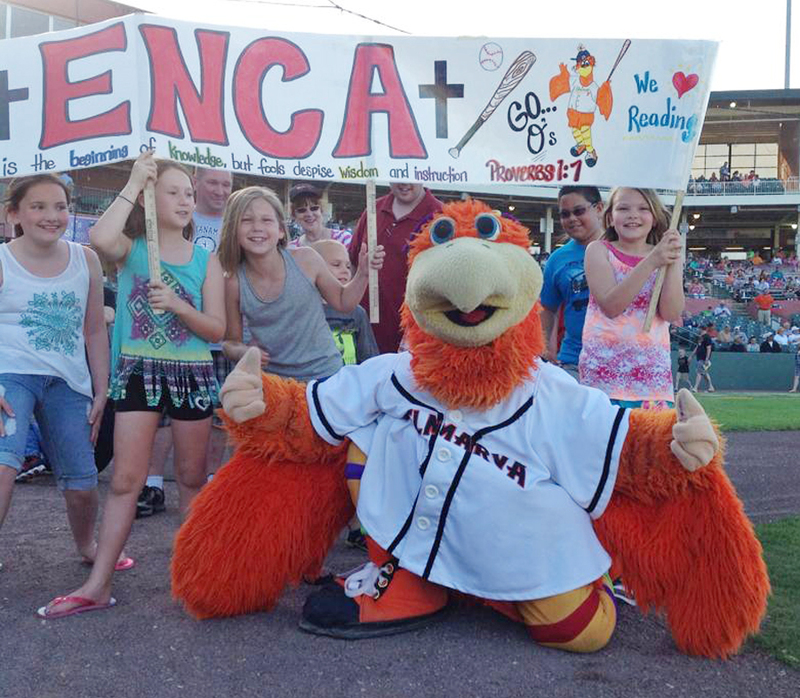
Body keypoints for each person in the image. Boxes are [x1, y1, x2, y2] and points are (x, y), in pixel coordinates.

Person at [36, 152, 226, 619]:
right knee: (124, 480)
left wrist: (179, 307)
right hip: (139, 371)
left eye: (188, 192)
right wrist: (134, 179)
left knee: (191, 479)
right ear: (148, 198)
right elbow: (100, 236)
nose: (184, 200)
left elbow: (217, 329)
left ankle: (195, 575)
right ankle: (98, 583)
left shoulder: (207, 258)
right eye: (172, 191)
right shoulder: (135, 249)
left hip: (192, 376)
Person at [0, 174, 130, 578]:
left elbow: (94, 330)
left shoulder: (85, 259)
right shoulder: (2, 259)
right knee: (4, 462)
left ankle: (86, 545)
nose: (51, 216)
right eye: (37, 206)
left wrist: (101, 389)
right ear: (14, 213)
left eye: (59, 206)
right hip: (11, 374)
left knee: (82, 480)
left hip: (67, 380)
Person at [137, 166, 233, 518]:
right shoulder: (181, 218)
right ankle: (153, 483)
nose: (220, 190)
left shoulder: (236, 222)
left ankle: (208, 481)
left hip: (219, 328)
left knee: (218, 414)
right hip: (172, 335)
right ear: (197, 184)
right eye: (212, 182)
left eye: (227, 184)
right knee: (162, 415)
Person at [218, 186, 384, 380]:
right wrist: (243, 352)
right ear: (233, 228)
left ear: (281, 230)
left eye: (266, 220)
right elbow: (230, 342)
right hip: (276, 385)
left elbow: (343, 302)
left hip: (326, 377)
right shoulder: (233, 281)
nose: (257, 227)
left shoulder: (306, 259)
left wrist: (363, 273)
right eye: (246, 220)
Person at [580, 187, 684, 409]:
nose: (633, 215)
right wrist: (652, 261)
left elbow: (671, 313)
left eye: (643, 208)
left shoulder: (665, 255)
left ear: (654, 218)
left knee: (650, 443)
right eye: (623, 208)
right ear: (609, 218)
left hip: (652, 378)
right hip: (603, 376)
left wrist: (674, 261)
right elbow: (611, 305)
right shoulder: (597, 250)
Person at [348, 183, 443, 354]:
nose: (404, 183)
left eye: (410, 175)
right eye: (398, 175)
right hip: (364, 333)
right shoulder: (373, 209)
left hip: (412, 338)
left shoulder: (441, 217)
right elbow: (353, 263)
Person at [539, 186, 604, 379]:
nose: (572, 219)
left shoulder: (622, 248)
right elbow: (547, 309)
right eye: (565, 214)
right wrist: (545, 349)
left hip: (619, 361)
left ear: (599, 208)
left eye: (579, 211)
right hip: (574, 361)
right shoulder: (557, 259)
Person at [310, 239, 379, 367]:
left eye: (348, 266)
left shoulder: (357, 312)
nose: (345, 270)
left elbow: (369, 358)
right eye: (336, 265)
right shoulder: (303, 311)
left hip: (351, 384)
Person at [288, 183, 352, 249]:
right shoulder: (292, 248)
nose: (309, 214)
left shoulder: (343, 239)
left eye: (314, 208)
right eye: (302, 210)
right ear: (294, 215)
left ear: (321, 210)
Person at [191, 167, 233, 253]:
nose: (219, 192)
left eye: (226, 185)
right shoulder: (178, 220)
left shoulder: (237, 226)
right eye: (212, 183)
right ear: (195, 183)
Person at [692, 324, 715, 392]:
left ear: (701, 329)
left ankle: (695, 387)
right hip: (699, 358)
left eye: (698, 328)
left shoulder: (707, 337)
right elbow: (698, 347)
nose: (697, 330)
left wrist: (707, 359)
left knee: (699, 372)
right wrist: (692, 355)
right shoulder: (700, 337)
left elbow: (709, 348)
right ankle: (711, 387)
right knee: (704, 373)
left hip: (703, 358)